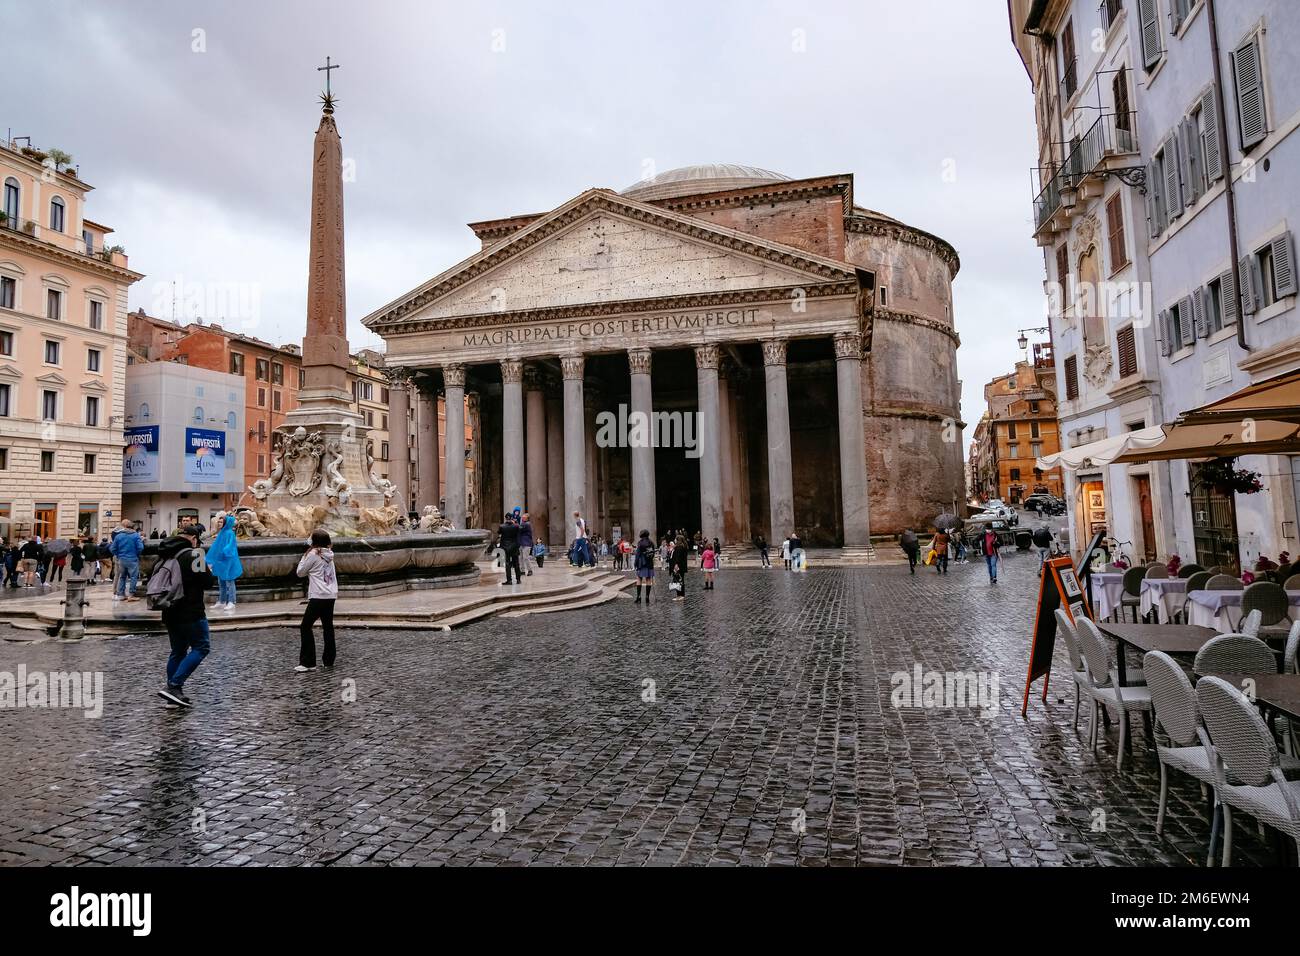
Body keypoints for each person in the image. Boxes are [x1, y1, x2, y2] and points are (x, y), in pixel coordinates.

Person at [156, 524, 215, 707]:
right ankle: (174, 686)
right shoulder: (196, 554)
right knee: (201, 647)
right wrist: (209, 570)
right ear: (194, 538)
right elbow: (206, 582)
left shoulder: (166, 554)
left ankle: (172, 695)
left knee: (178, 651)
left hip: (169, 610)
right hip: (191, 610)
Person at [296, 529, 339, 672]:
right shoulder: (329, 554)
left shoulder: (313, 554)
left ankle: (308, 663)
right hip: (330, 595)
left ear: (314, 541)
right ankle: (328, 660)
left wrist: (305, 555)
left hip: (318, 595)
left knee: (305, 626)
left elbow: (300, 572)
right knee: (328, 627)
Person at [207, 513, 243, 611]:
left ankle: (231, 601)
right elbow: (216, 546)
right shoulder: (222, 533)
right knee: (221, 581)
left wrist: (222, 553)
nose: (219, 523)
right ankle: (222, 601)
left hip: (229, 561)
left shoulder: (229, 533)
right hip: (222, 561)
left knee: (229, 581)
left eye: (221, 522)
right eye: (218, 522)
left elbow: (230, 546)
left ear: (226, 523)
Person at [110, 519, 144, 602]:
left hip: (121, 559)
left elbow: (112, 549)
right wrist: (136, 554)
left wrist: (118, 555)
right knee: (133, 577)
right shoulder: (135, 535)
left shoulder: (119, 536)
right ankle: (131, 595)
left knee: (122, 577)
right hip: (132, 559)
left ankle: (121, 595)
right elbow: (140, 547)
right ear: (132, 527)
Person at [497, 513, 522, 585]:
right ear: (511, 518)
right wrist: (516, 522)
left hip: (505, 546)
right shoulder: (516, 526)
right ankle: (518, 580)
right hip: (514, 546)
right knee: (516, 563)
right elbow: (520, 529)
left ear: (505, 518)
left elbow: (499, 532)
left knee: (507, 564)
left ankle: (509, 580)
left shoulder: (502, 526)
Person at [633, 530, 655, 605]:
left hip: (641, 563)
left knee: (639, 578)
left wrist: (635, 563)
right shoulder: (651, 543)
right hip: (649, 563)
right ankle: (647, 597)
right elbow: (653, 554)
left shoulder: (640, 543)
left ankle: (639, 597)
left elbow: (637, 554)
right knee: (648, 579)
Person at [669, 534, 689, 602]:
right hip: (682, 566)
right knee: (681, 580)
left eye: (675, 539)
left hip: (678, 566)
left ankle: (679, 595)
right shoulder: (683, 546)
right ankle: (681, 595)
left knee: (678, 581)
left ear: (678, 540)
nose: (674, 540)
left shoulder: (679, 547)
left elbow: (678, 557)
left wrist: (676, 565)